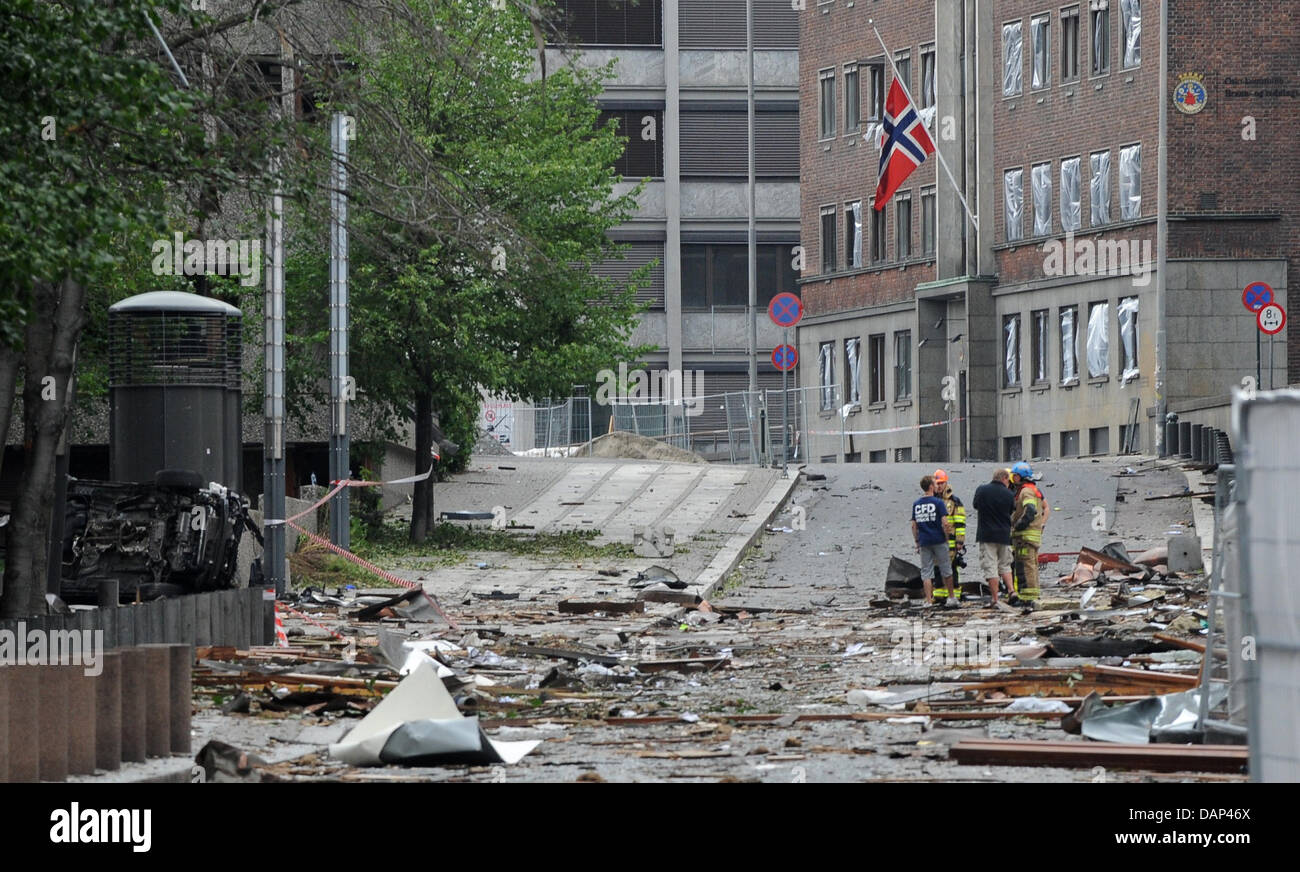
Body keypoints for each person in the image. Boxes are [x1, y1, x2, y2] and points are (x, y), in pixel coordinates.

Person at [972, 467, 1016, 605]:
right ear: (1004, 479)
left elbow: (975, 505)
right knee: (1005, 565)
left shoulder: (981, 490)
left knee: (990, 566)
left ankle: (995, 599)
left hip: (986, 535)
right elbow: (1011, 510)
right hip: (1004, 534)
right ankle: (1011, 591)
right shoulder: (1009, 494)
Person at [911, 474, 957, 607]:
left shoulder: (916, 504)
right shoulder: (938, 503)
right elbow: (945, 523)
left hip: (924, 541)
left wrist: (917, 541)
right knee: (946, 570)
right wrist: (947, 538)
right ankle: (951, 598)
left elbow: (914, 525)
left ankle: (928, 601)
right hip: (939, 540)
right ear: (931, 486)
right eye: (935, 484)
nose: (937, 486)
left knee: (926, 572)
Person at [1010, 461, 1049, 604]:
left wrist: (1019, 526)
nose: (1013, 479)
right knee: (1031, 566)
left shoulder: (1026, 491)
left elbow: (1030, 510)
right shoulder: (1033, 490)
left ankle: (1027, 598)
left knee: (1024, 568)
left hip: (1025, 536)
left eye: (1015, 476)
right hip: (1031, 536)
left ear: (1020, 477)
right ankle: (1031, 596)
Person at [930, 469, 966, 604]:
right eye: (936, 484)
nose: (938, 486)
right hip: (936, 540)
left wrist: (960, 541)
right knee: (937, 568)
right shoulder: (932, 500)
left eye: (941, 483)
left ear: (946, 483)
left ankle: (955, 594)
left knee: (952, 568)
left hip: (950, 541)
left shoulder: (955, 501)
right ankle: (939, 594)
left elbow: (960, 522)